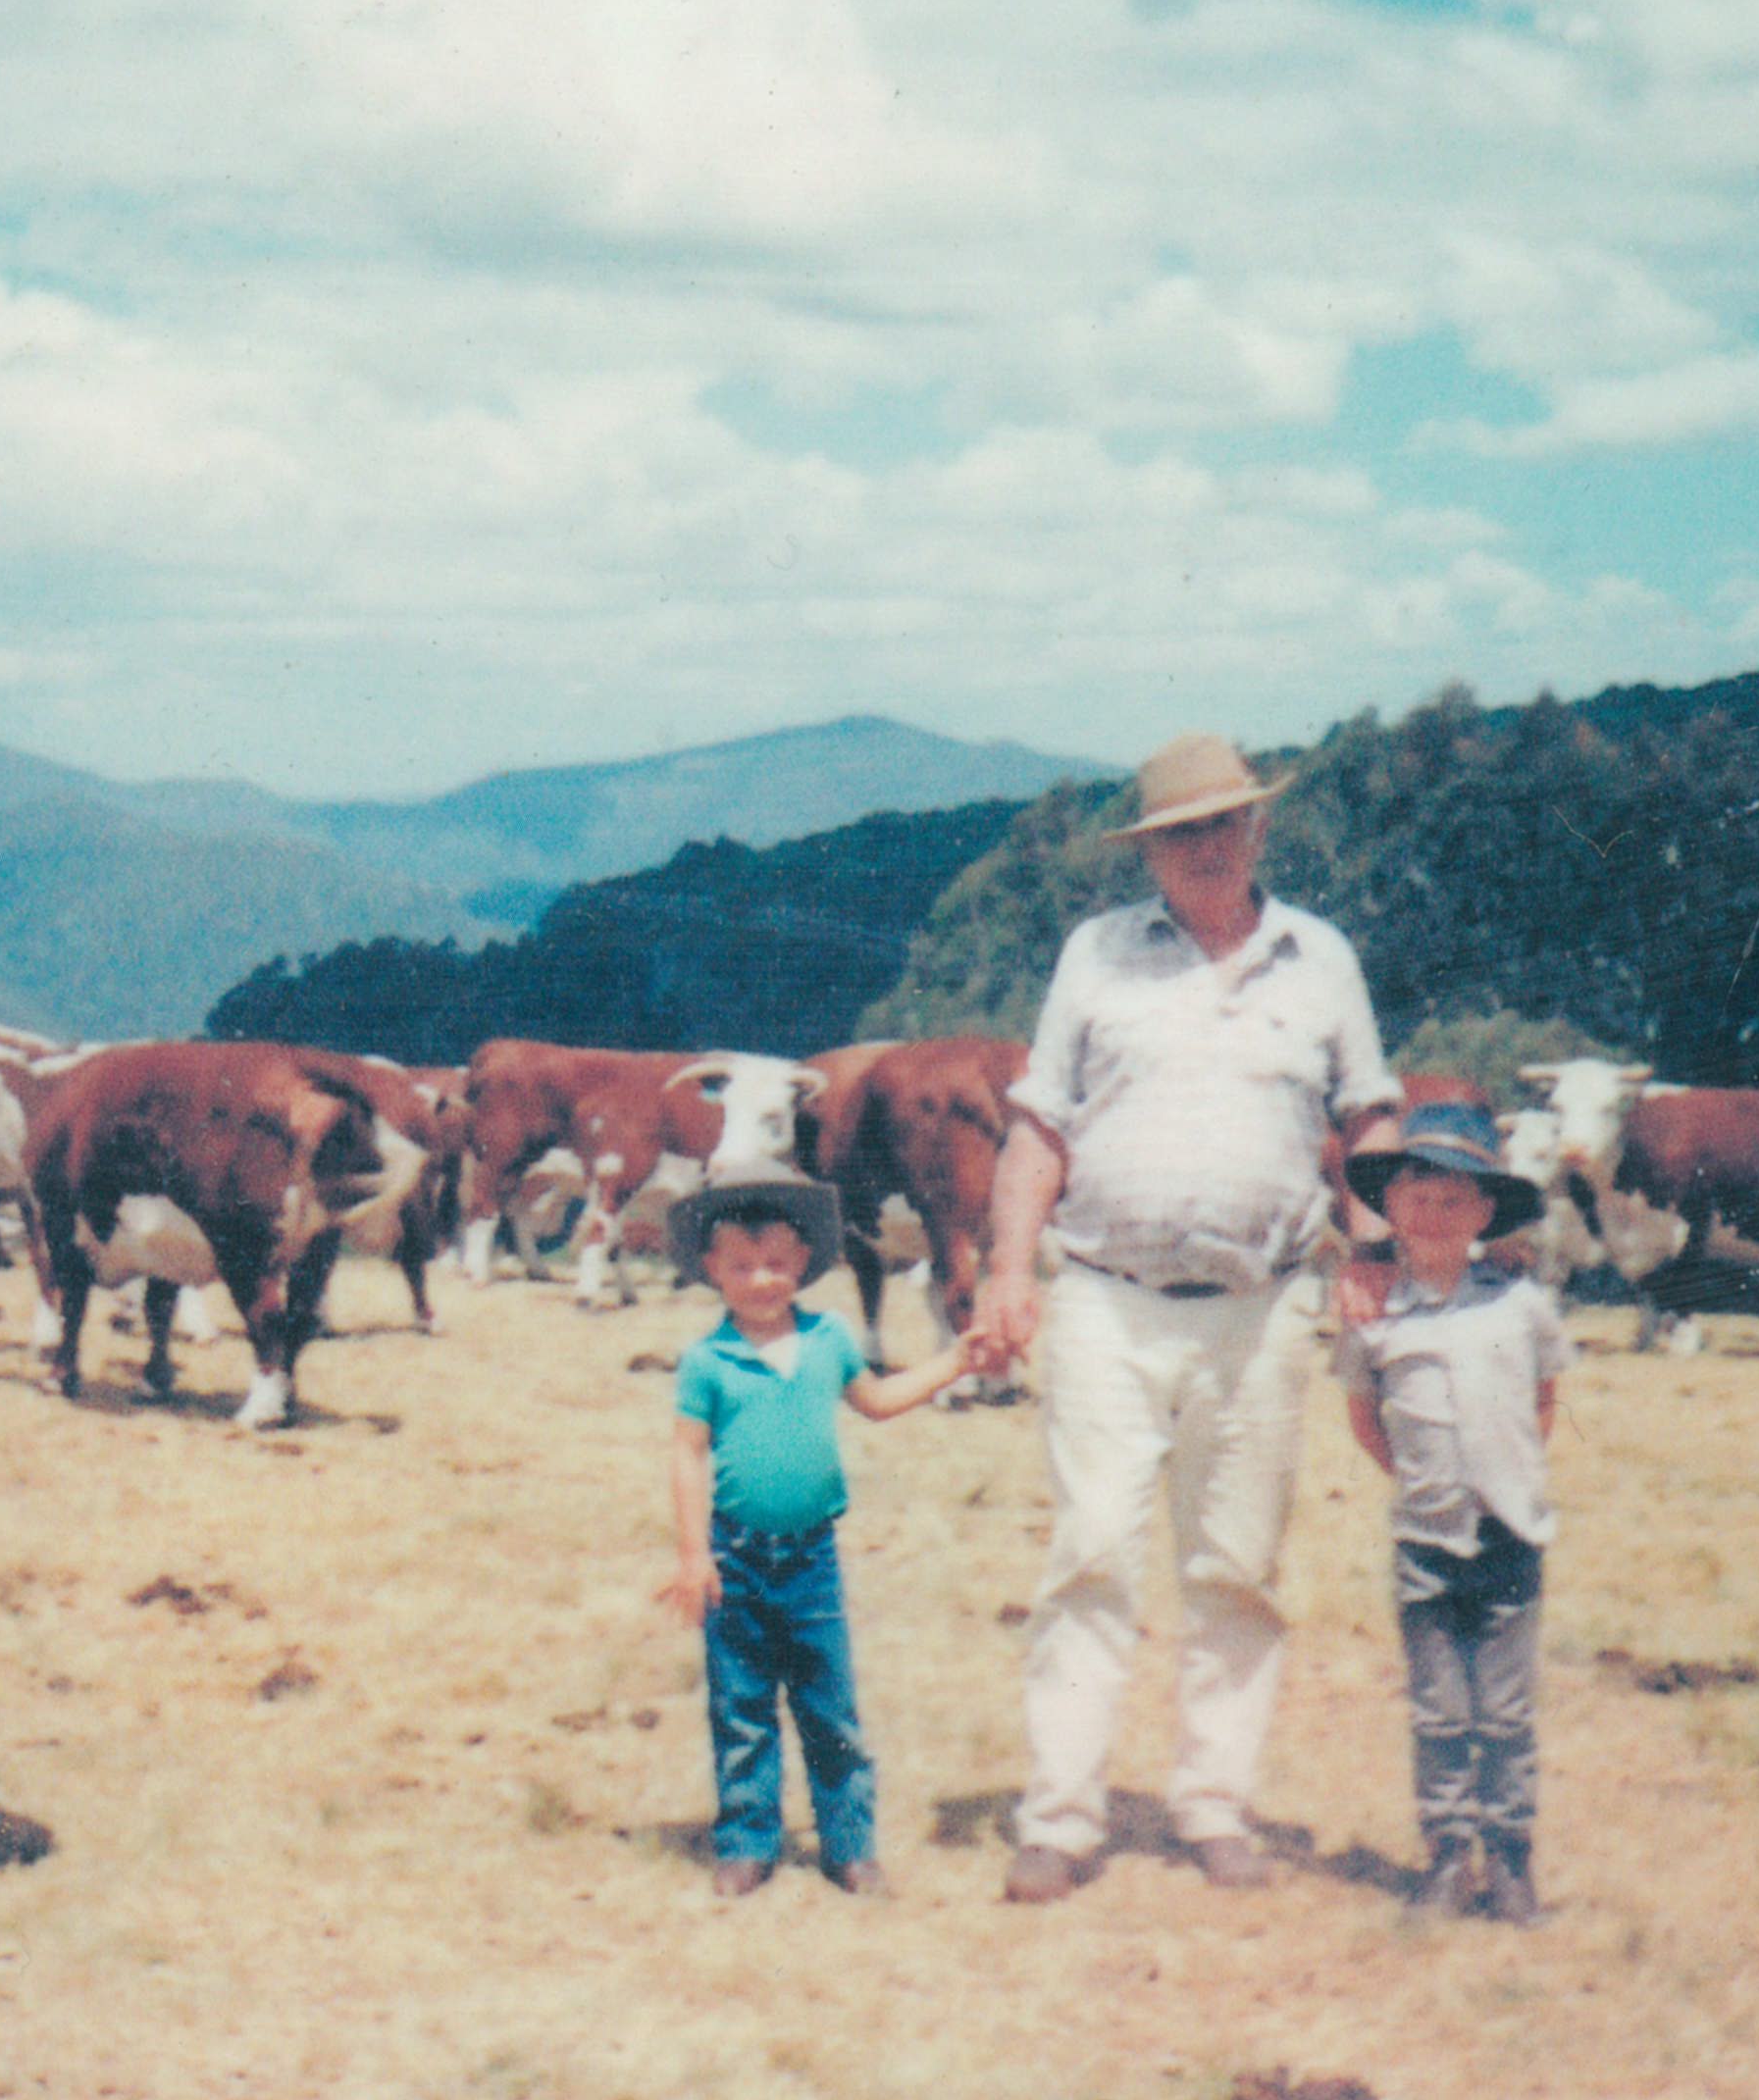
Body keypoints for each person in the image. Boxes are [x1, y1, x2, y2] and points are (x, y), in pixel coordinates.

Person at [967, 732, 1403, 1903]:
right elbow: (1037, 1128)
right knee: (1091, 1553)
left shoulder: (1321, 960)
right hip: (1107, 1302)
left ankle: (1212, 1807)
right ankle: (1058, 1821)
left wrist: (1374, 1249)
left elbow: (1368, 1120)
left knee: (1237, 1564)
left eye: (1221, 825)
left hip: (1261, 1313)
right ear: (1147, 851)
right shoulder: (1095, 956)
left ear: (1258, 828)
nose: (1202, 849)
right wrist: (1009, 1269)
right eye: (1177, 834)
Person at [664, 1170, 974, 1898]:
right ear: (711, 1270)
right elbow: (685, 1453)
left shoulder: (828, 1338)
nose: (761, 1280)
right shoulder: (708, 1361)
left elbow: (880, 1399)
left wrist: (955, 1361)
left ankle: (848, 1844)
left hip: (810, 1562)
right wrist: (691, 1554)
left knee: (828, 1706)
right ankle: (746, 1841)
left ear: (803, 1260)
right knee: (740, 1707)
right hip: (734, 1560)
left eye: (775, 1263)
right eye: (740, 1266)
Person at [1331, 1097, 1570, 1924]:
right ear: (1388, 1206)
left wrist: (1502, 1479)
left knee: (1504, 1711)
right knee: (1439, 1711)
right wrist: (1425, 1482)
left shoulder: (1521, 1306)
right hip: (1426, 1543)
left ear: (1486, 1213)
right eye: (1418, 1196)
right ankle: (1444, 1857)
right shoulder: (1371, 1318)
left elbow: (1541, 1403)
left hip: (1509, 1537)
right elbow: (1366, 1421)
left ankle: (1509, 1861)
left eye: (1456, 1199)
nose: (1435, 1213)